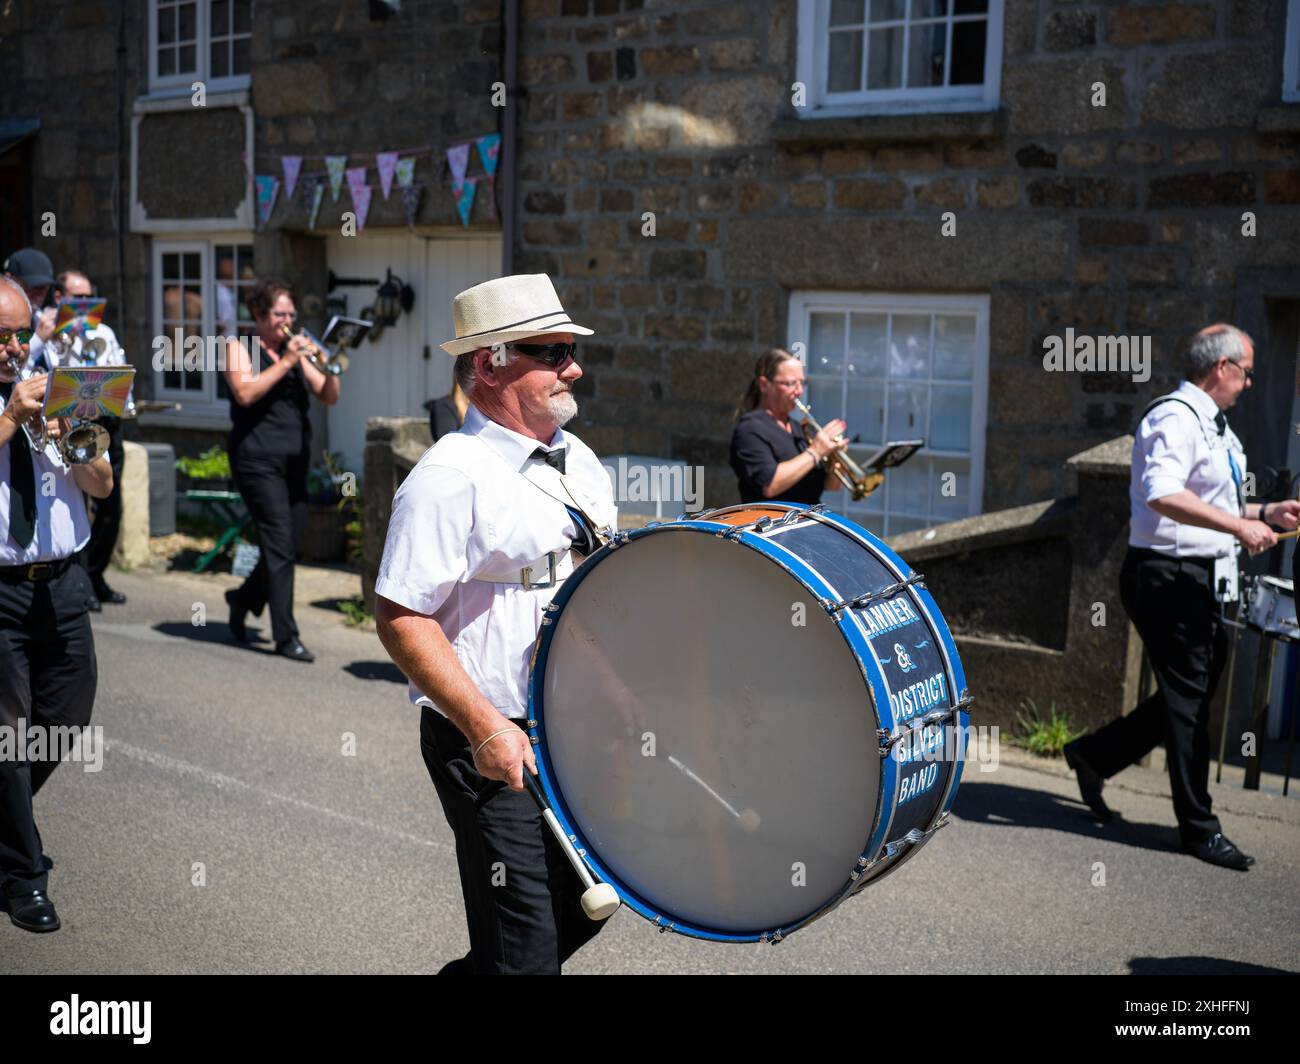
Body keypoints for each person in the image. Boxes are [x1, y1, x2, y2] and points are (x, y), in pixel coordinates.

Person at [374, 273, 617, 974]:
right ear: (490, 365)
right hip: (489, 734)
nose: (573, 366)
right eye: (551, 351)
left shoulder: (580, 461)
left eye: (571, 348)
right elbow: (399, 616)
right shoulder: (449, 476)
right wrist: (485, 729)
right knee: (526, 951)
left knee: (587, 905)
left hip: (572, 726)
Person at [1064, 324, 1300, 870]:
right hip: (1166, 577)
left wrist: (1266, 514)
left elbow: (1209, 502)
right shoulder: (1173, 416)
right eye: (1246, 372)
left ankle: (1093, 755)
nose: (1247, 384)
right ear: (1221, 368)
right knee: (1189, 703)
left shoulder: (1212, 425)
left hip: (1193, 575)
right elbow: (1164, 494)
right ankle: (1199, 828)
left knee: (1187, 693)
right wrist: (1240, 530)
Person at [0, 276, 113, 933]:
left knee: (67, 714)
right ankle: (24, 876)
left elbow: (101, 482)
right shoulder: (16, 396)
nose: (15, 347)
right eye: (1, 337)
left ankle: (6, 822)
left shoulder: (60, 383)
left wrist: (66, 431)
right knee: (9, 735)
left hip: (64, 578)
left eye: (21, 332)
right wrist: (12, 415)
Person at [221, 279, 339, 662]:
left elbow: (329, 395)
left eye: (291, 313)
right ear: (259, 314)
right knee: (278, 544)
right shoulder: (240, 348)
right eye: (279, 314)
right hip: (256, 460)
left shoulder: (297, 352)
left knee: (289, 543)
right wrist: (288, 360)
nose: (287, 320)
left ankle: (242, 599)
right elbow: (245, 393)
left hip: (294, 461)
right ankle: (286, 636)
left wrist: (329, 363)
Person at [39, 270, 130, 610]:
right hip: (69, 424)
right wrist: (58, 341)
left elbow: (118, 371)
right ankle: (81, 579)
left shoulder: (103, 332)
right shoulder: (49, 332)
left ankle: (97, 574)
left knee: (110, 505)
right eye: (78, 298)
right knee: (77, 503)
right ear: (60, 298)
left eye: (90, 297)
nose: (85, 305)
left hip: (103, 419)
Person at [730, 348, 849, 504]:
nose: (799, 391)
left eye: (802, 383)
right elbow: (769, 485)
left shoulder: (797, 428)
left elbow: (830, 486)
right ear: (764, 385)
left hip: (808, 521)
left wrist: (836, 461)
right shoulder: (750, 429)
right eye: (791, 383)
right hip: (771, 525)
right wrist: (816, 451)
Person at [2, 248, 57, 372]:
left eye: (42, 289)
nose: (37, 295)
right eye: (30, 287)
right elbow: (9, 372)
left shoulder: (42, 319)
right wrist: (38, 340)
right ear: (9, 280)